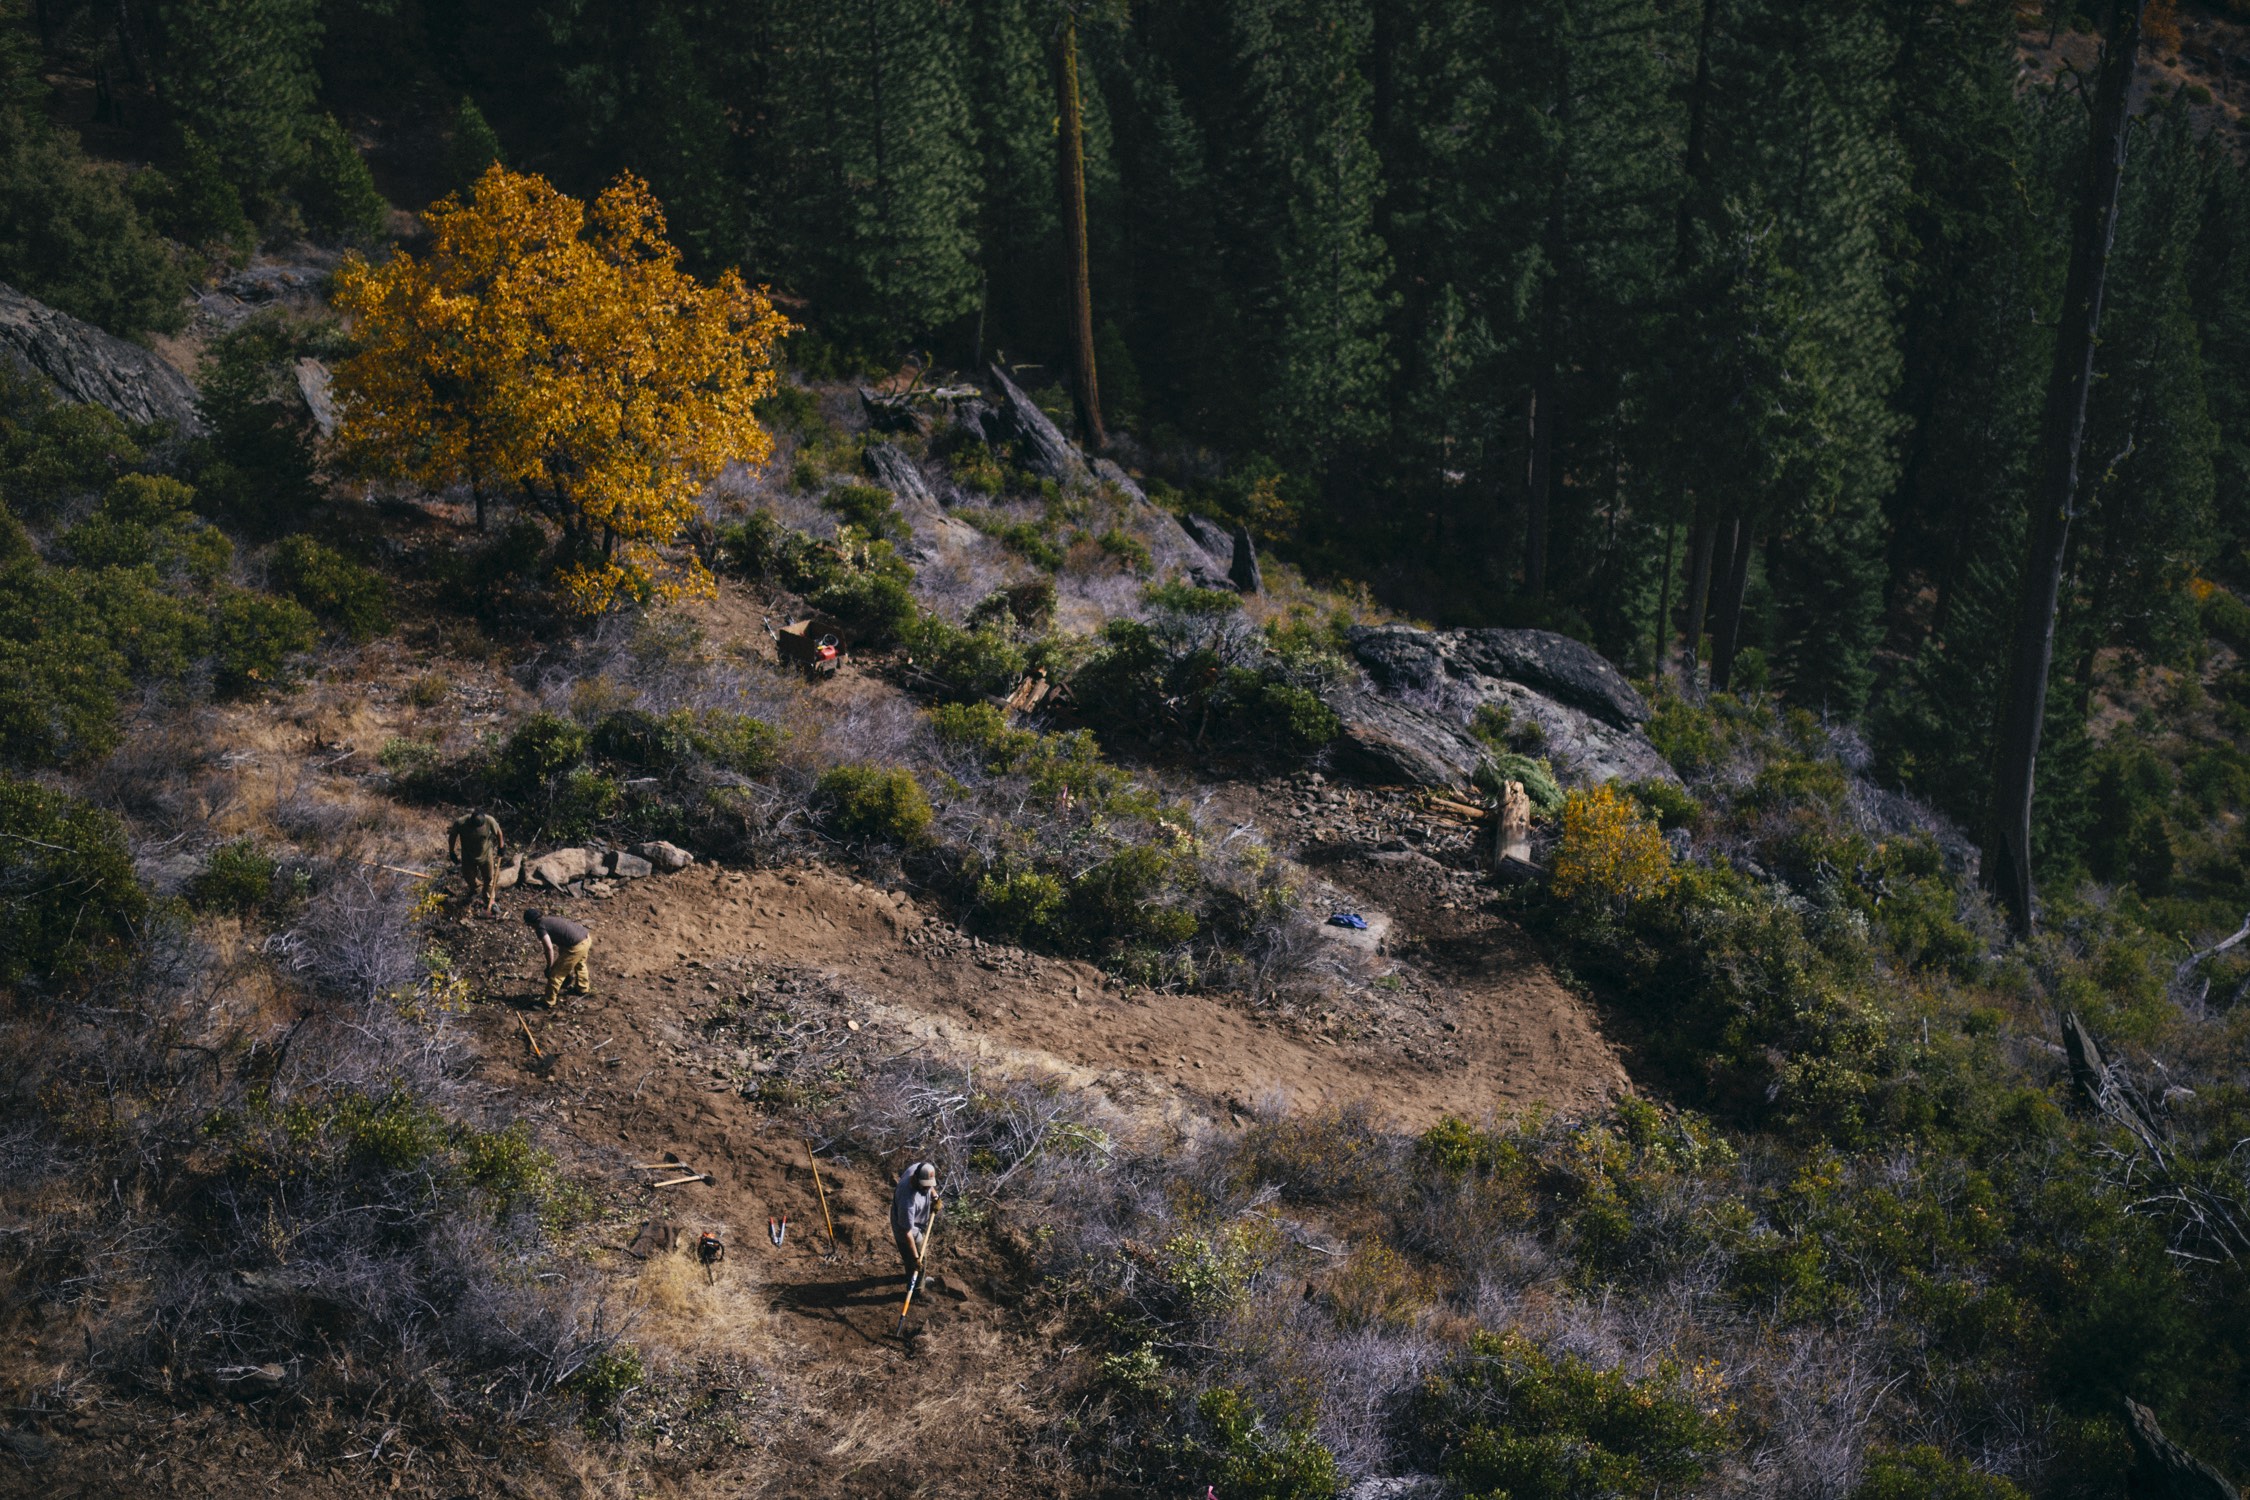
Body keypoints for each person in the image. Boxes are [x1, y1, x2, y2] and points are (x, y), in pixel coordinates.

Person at [522, 908, 592, 1008]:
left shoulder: (540, 928)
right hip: (586, 937)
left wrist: (550, 966)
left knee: (556, 975)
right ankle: (582, 988)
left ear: (530, 923)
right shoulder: (549, 920)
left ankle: (548, 1002)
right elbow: (562, 937)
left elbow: (549, 948)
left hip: (577, 945)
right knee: (580, 964)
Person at [448, 809, 506, 916]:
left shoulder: (490, 821)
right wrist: (451, 852)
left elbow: (498, 832)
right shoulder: (461, 823)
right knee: (468, 877)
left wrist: (501, 847)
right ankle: (476, 889)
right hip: (468, 856)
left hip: (486, 855)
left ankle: (490, 900)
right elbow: (452, 836)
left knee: (489, 878)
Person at [890, 1160, 939, 1278]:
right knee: (918, 1260)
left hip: (917, 1221)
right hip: (906, 1229)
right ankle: (918, 1286)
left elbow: (930, 1186)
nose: (928, 1188)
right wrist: (916, 1258)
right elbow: (907, 1232)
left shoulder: (920, 1169)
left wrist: (935, 1197)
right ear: (916, 1179)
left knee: (913, 1262)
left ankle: (911, 1275)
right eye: (925, 1185)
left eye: (929, 1184)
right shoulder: (907, 1202)